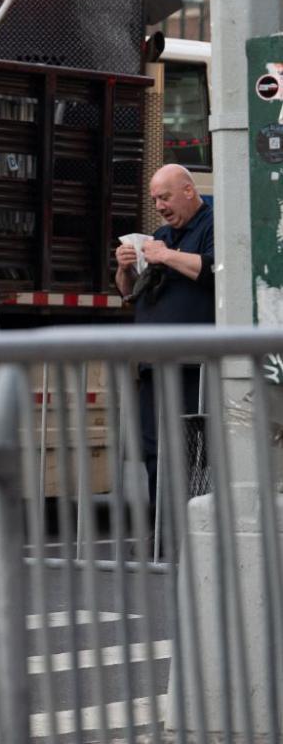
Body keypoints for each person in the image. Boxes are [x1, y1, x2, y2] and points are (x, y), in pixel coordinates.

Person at [114, 163, 214, 508]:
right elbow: (129, 293)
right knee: (154, 450)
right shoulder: (162, 234)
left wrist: (166, 256)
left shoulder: (213, 224)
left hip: (191, 366)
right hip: (154, 364)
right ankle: (162, 536)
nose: (159, 206)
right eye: (155, 199)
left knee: (188, 452)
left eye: (165, 197)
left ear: (188, 190)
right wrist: (124, 267)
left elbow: (216, 271)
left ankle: (190, 531)